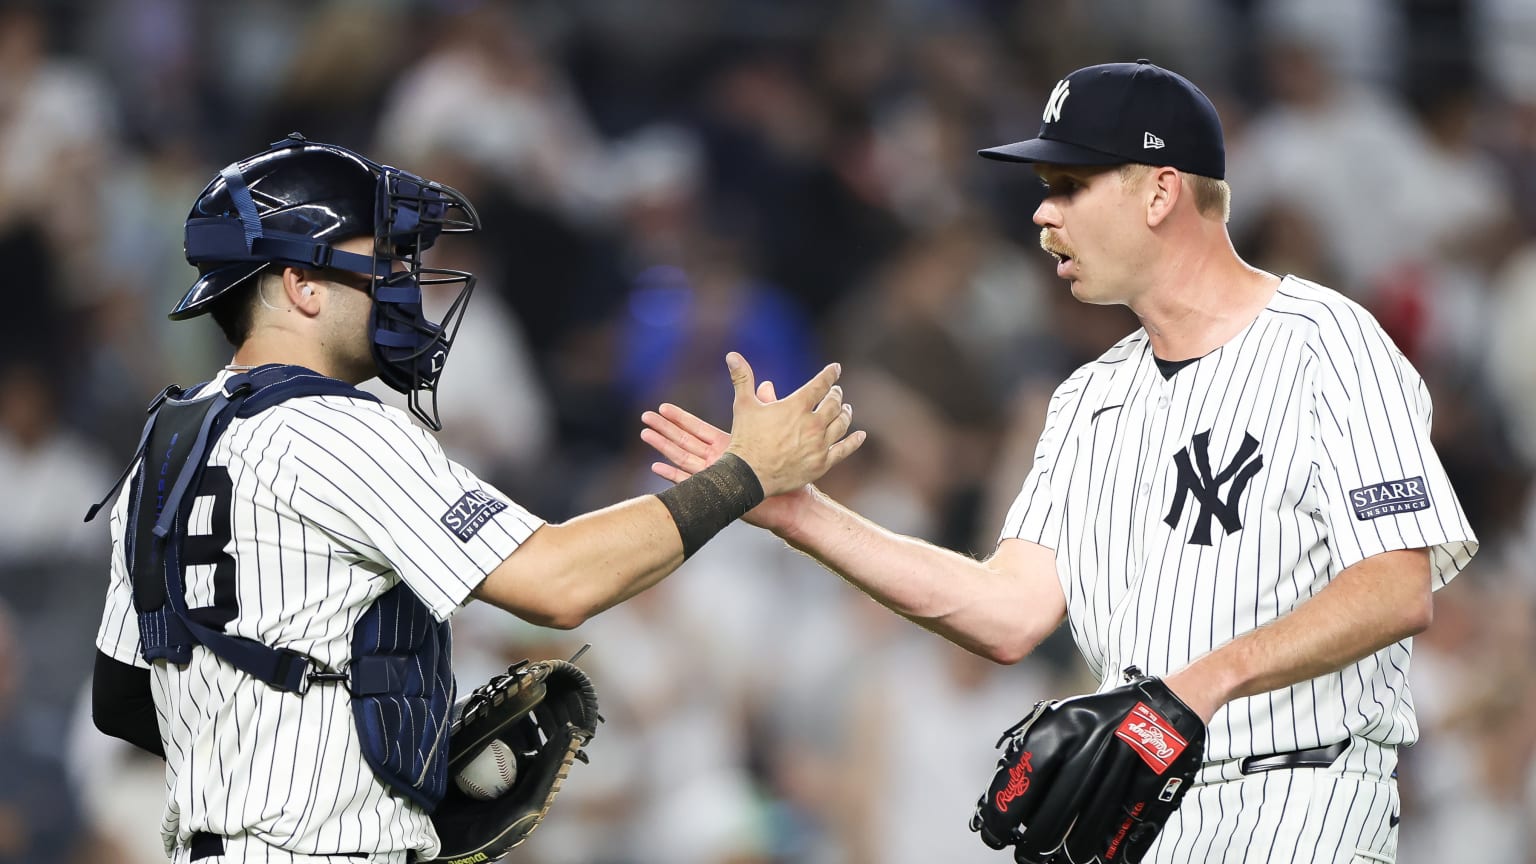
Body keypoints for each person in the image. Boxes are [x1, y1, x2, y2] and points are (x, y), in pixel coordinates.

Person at [642, 60, 1479, 863]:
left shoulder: (1328, 344)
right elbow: (1008, 611)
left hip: (1300, 801)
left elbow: (1395, 587)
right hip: (1134, 817)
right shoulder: (1088, 398)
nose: (1043, 214)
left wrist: (1202, 683)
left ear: (1161, 189)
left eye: (1070, 186)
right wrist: (797, 512)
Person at [88, 133, 863, 864]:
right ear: (301, 285)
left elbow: (124, 699)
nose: (403, 280)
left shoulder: (167, 444)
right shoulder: (338, 428)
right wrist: (745, 474)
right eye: (382, 257)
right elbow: (559, 583)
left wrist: (337, 733)